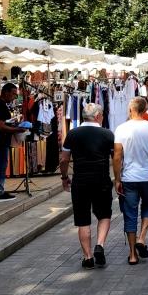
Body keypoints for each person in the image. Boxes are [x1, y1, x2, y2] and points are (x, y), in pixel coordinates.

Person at [112, 97, 148, 265]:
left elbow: (117, 157)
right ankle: (142, 237)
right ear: (145, 110)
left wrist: (117, 179)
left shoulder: (121, 129)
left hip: (129, 178)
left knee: (130, 214)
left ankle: (132, 255)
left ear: (130, 109)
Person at [59, 102, 114, 269]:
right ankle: (100, 245)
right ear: (97, 116)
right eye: (102, 115)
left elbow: (64, 159)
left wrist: (64, 177)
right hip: (102, 180)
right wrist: (118, 177)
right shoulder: (107, 134)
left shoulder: (72, 134)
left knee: (82, 219)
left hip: (80, 181)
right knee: (104, 215)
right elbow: (117, 158)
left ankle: (88, 256)